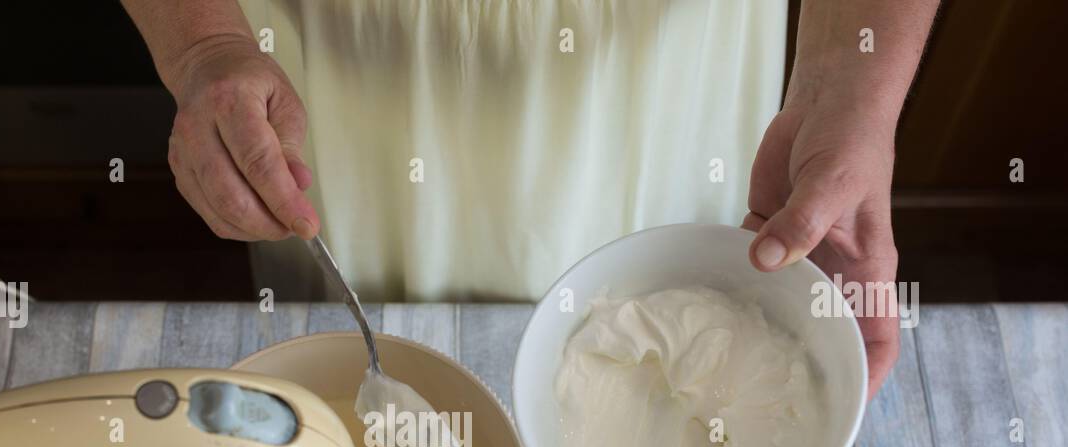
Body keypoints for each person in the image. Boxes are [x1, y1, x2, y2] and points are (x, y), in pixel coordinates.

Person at [123, 0, 939, 397]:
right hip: (342, 65)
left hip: (666, 69)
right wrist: (204, 42)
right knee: (349, 367)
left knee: (693, 327)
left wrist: (849, 88)